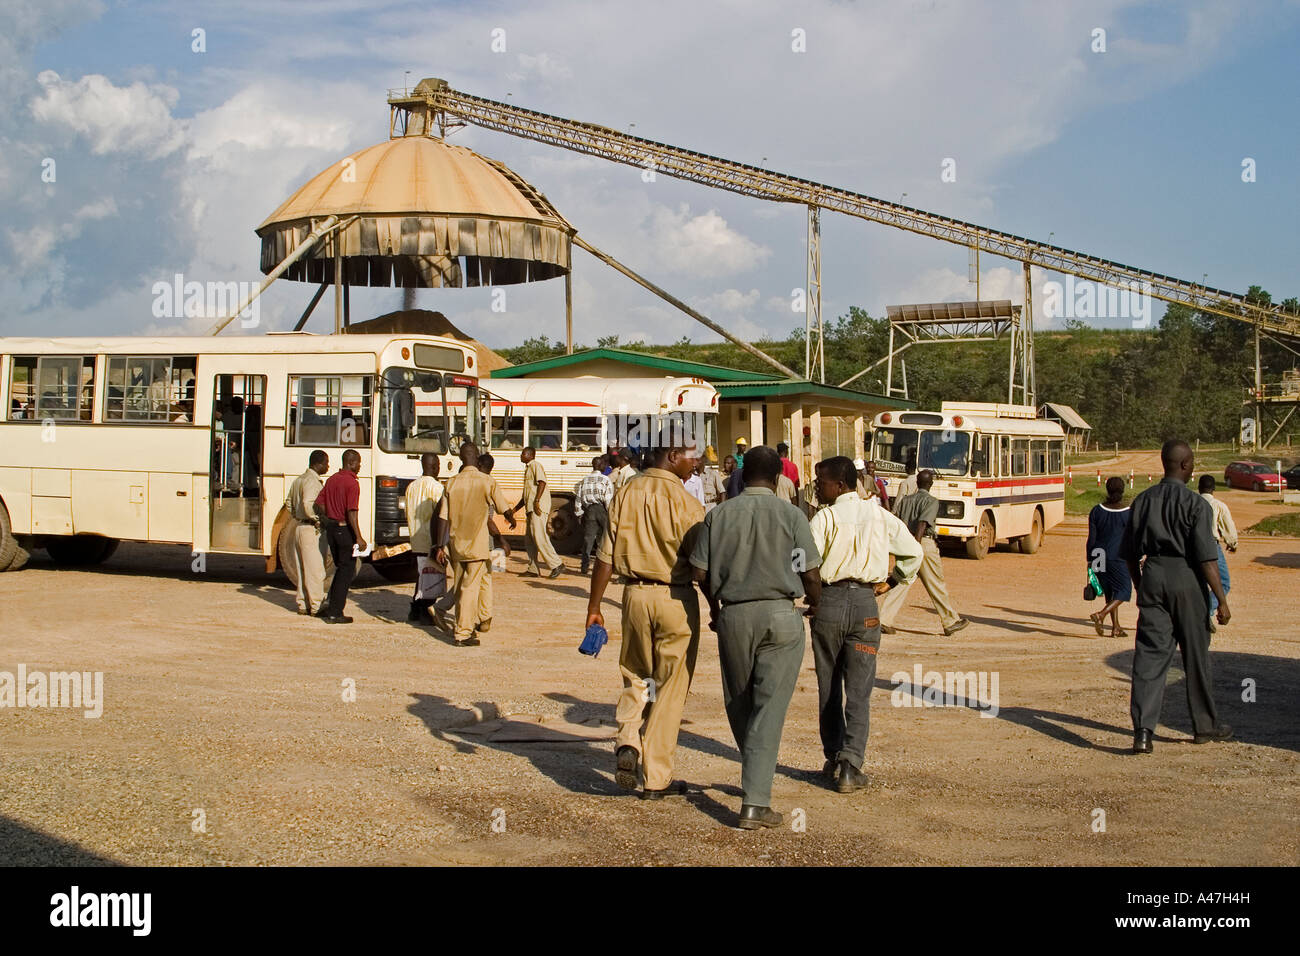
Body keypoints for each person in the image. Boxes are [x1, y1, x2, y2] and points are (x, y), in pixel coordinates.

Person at [689, 445, 822, 829]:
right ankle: (755, 801)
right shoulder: (791, 515)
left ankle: (754, 780)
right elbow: (808, 571)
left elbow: (699, 574)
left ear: (742, 476)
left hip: (734, 616)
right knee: (770, 708)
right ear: (779, 477)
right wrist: (815, 604)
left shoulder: (718, 515)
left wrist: (716, 610)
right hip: (781, 615)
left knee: (740, 701)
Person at [586, 443, 704, 800]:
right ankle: (656, 778)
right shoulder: (688, 504)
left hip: (634, 595)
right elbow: (701, 563)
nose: (695, 463)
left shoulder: (625, 492)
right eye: (691, 456)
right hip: (676, 597)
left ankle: (627, 740)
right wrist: (717, 605)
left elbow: (605, 556)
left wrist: (593, 607)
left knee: (636, 674)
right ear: (671, 456)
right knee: (669, 686)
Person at [808, 456, 922, 793]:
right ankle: (851, 764)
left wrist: (812, 598)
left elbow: (807, 565)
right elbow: (914, 552)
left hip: (829, 604)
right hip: (865, 607)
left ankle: (832, 755)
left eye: (822, 481)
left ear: (840, 484)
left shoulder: (824, 518)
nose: (817, 486)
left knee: (828, 686)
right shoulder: (880, 515)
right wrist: (894, 580)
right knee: (859, 690)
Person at [1121, 439, 1232, 754]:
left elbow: (1129, 553)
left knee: (1150, 656)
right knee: (1196, 655)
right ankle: (1204, 726)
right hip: (1187, 579)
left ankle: (1143, 732)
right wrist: (1221, 599)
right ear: (1185, 465)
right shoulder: (1196, 504)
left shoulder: (1142, 501)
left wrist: (1141, 583)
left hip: (1153, 575)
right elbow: (1206, 559)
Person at [434, 442, 517, 647]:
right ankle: (463, 633)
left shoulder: (451, 483)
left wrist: (438, 546)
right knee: (470, 588)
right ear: (476, 456)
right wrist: (511, 518)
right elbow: (501, 507)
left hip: (456, 545)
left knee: (462, 587)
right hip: (477, 546)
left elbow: (443, 518)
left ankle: (465, 626)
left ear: (461, 458)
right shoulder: (487, 481)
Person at [878, 470, 969, 635]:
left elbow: (897, 522)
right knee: (935, 583)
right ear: (931, 484)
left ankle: (883, 619)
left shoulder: (906, 500)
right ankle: (950, 621)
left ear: (917, 483)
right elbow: (923, 523)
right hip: (922, 544)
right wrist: (916, 547)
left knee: (902, 581)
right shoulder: (932, 501)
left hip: (904, 543)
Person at [316, 449, 365, 624]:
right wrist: (359, 537)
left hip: (332, 530)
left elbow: (319, 502)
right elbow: (352, 512)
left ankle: (331, 605)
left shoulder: (332, 480)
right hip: (345, 530)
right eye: (358, 462)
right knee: (346, 571)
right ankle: (335, 612)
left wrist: (329, 517)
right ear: (351, 463)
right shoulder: (352, 484)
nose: (360, 466)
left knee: (340, 568)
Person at [1085, 477, 1132, 638]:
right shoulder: (1127, 513)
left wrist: (1089, 561)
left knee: (1110, 592)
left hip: (1098, 556)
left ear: (1107, 490)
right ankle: (1101, 614)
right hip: (1117, 557)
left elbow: (1091, 538)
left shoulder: (1096, 511)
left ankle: (1116, 627)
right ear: (1123, 491)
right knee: (1124, 590)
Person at [285, 450, 329, 616]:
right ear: (318, 463)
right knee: (315, 569)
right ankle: (317, 606)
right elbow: (308, 503)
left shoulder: (299, 479)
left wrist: (297, 516)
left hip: (299, 526)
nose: (327, 466)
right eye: (326, 463)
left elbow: (289, 503)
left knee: (302, 568)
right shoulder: (312, 481)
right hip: (311, 529)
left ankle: (303, 604)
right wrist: (317, 518)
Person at [404, 453, 445, 624]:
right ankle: (424, 611)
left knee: (421, 575)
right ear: (435, 466)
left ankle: (415, 609)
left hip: (415, 538)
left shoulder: (411, 487)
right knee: (431, 578)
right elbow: (442, 516)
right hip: (431, 539)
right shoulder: (437, 488)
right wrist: (439, 543)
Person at [513, 447, 562, 579]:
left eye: (523, 453)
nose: (521, 455)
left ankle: (556, 564)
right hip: (530, 507)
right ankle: (533, 568)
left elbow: (542, 482)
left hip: (537, 507)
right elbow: (526, 495)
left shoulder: (535, 465)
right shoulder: (528, 468)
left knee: (539, 536)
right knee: (530, 539)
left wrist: (537, 501)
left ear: (530, 455)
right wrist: (514, 510)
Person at [1198, 474, 1237, 632]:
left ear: (1199, 488)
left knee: (1198, 582)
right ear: (1214, 489)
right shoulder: (1219, 505)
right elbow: (1229, 528)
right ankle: (1207, 610)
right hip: (1211, 545)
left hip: (1191, 547)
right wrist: (1232, 543)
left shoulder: (1191, 502)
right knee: (1223, 583)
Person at [574, 455, 614, 576]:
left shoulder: (584, 480)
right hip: (602, 509)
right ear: (601, 466)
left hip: (589, 510)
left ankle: (584, 566)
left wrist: (579, 513)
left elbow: (579, 498)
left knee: (588, 539)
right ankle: (602, 565)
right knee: (604, 539)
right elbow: (608, 499)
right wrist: (610, 514)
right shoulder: (605, 479)